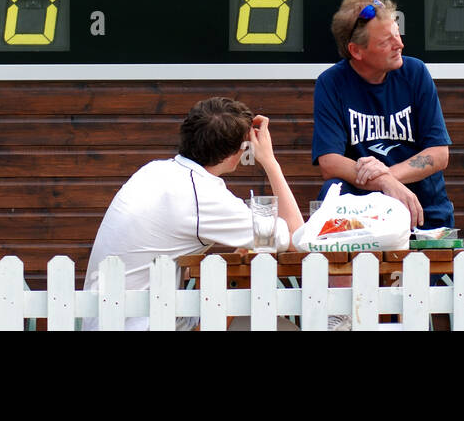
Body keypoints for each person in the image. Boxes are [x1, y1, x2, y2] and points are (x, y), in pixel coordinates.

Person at [82, 96, 304, 330]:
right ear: (236, 151)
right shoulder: (202, 194)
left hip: (117, 319)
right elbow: (297, 237)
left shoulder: (154, 171)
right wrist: (270, 162)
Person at [312, 0, 453, 229]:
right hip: (362, 216)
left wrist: (388, 177)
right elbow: (330, 162)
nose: (399, 45)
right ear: (356, 51)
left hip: (421, 210)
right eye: (386, 41)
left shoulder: (415, 72)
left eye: (397, 35)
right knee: (331, 190)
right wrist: (385, 184)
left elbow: (439, 154)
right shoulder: (332, 83)